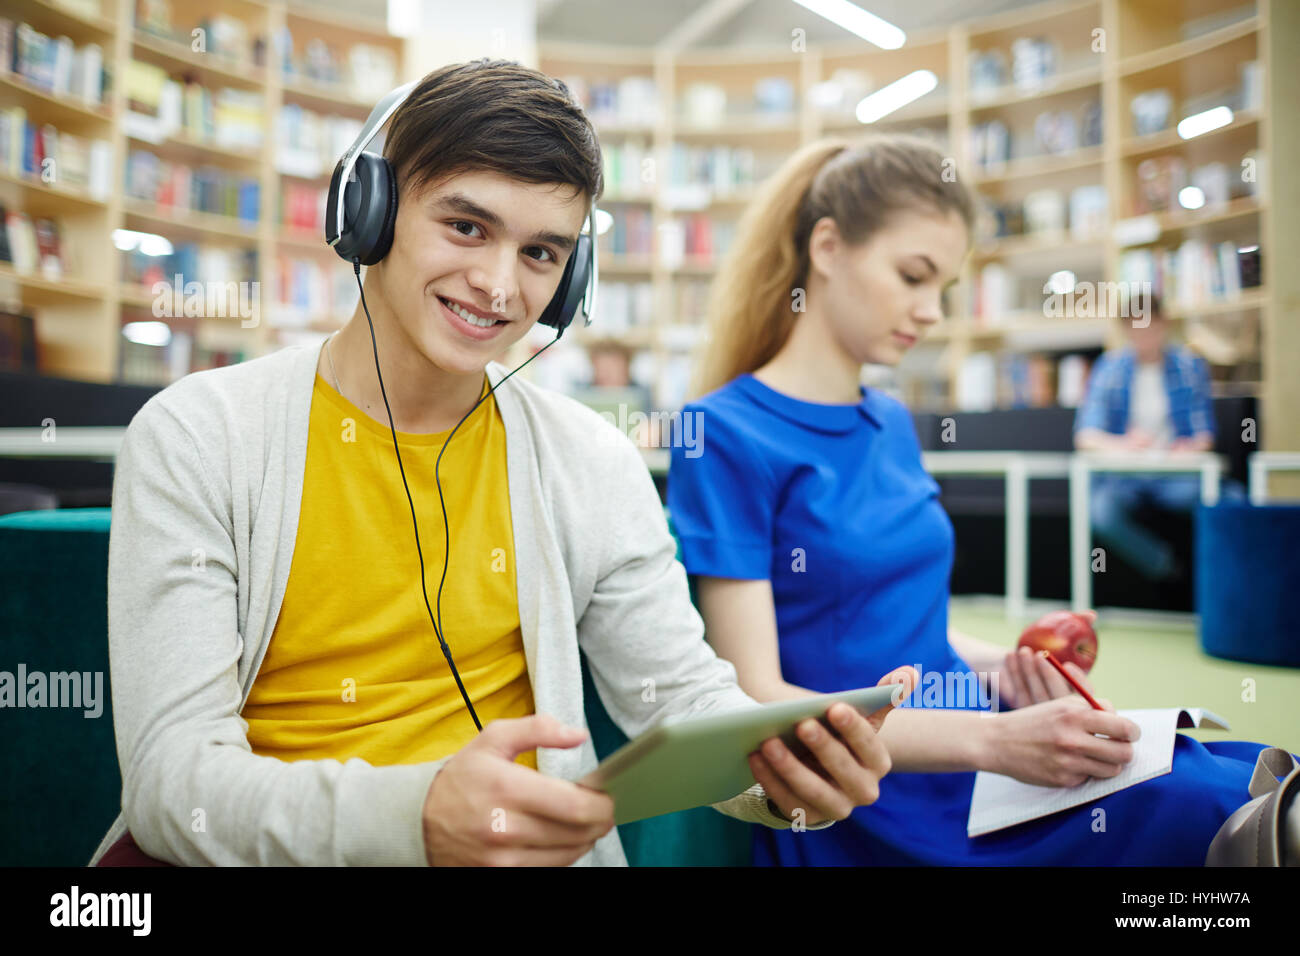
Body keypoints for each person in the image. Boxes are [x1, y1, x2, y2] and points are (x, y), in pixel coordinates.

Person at [89, 61, 915, 868]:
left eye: (541, 253)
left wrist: (785, 774)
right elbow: (174, 783)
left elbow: (683, 696)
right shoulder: (201, 434)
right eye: (466, 226)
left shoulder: (588, 458)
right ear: (368, 211)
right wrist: (416, 819)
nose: (497, 286)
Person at [667, 134, 1273, 866]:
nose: (931, 312)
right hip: (874, 793)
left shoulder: (889, 421)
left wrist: (1009, 669)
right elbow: (758, 699)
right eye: (913, 275)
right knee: (1211, 814)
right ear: (826, 248)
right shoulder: (722, 432)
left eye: (945, 288)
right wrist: (993, 740)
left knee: (1250, 776)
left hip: (977, 742)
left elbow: (908, 632)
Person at [1075, 296, 1241, 581]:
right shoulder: (1109, 369)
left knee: (1234, 500)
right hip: (1125, 477)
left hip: (1176, 477)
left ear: (1163, 324)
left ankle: (1224, 579)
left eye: (1149, 326)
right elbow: (1086, 436)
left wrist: (1189, 448)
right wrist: (1123, 445)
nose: (1143, 334)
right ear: (1125, 329)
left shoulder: (1189, 367)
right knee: (1100, 511)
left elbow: (1205, 436)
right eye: (1135, 327)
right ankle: (1168, 568)